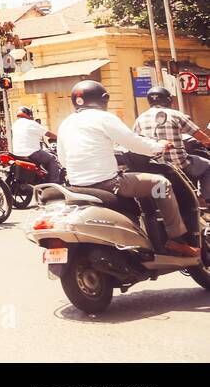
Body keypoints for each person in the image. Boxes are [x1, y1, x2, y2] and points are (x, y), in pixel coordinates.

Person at [57, 80, 196, 257]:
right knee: (161, 184)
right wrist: (158, 146)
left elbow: (63, 159)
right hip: (108, 183)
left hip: (77, 185)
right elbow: (132, 142)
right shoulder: (103, 118)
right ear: (104, 99)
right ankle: (176, 239)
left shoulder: (66, 123)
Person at [133, 85, 210, 207]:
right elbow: (200, 137)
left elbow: (136, 139)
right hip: (179, 164)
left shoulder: (140, 118)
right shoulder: (175, 114)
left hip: (154, 165)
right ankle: (205, 200)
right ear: (168, 100)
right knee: (207, 166)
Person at [10, 106, 64, 184]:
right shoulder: (30, 123)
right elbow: (47, 133)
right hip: (31, 152)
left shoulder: (15, 124)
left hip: (17, 153)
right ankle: (54, 184)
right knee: (52, 159)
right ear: (28, 114)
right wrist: (59, 137)